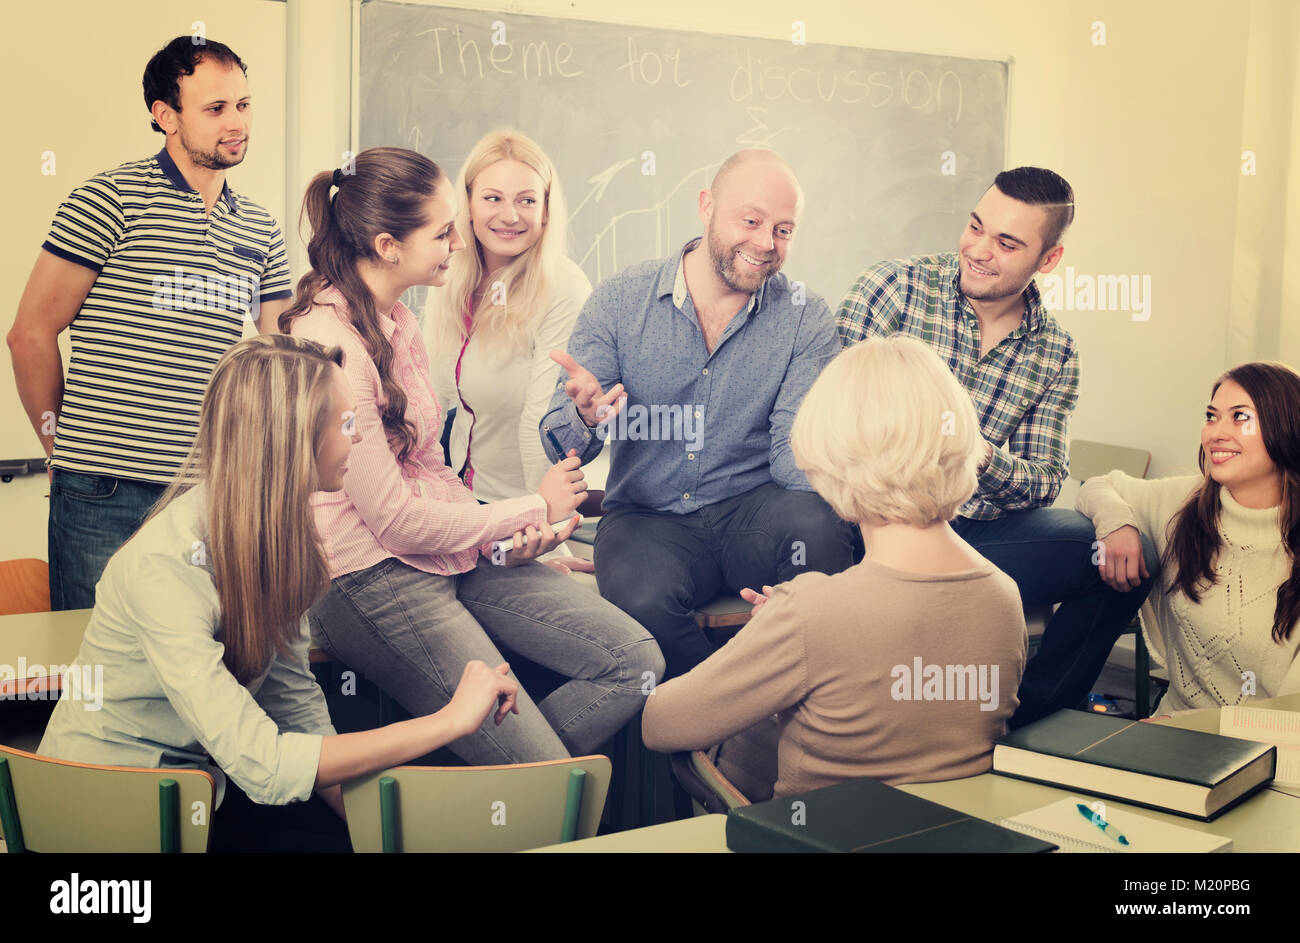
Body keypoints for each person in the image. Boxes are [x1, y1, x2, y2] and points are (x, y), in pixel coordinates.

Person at [38, 335, 523, 852]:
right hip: (104, 819)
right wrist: (451, 720)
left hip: (197, 795)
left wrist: (372, 835)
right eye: (345, 422)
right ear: (292, 439)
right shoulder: (165, 566)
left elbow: (297, 711)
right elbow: (266, 765)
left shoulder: (284, 540)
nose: (359, 439)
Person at [281, 147, 663, 764]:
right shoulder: (335, 349)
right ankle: (520, 778)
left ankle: (492, 779)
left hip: (444, 552)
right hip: (369, 578)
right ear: (387, 246)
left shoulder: (397, 320)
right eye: (442, 231)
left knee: (633, 661)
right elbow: (395, 519)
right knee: (542, 773)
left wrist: (501, 543)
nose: (460, 241)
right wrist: (528, 508)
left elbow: (430, 467)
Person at [835, 166, 1156, 727]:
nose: (978, 251)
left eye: (1006, 243)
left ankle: (1023, 724)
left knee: (1117, 560)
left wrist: (977, 451)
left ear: (1048, 260)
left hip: (973, 534)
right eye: (976, 226)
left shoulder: (1055, 352)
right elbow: (832, 422)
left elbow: (1045, 478)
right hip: (868, 527)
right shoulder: (893, 289)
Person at [641, 336, 1026, 799]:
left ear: (832, 458)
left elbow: (660, 725)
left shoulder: (811, 609)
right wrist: (793, 639)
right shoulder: (1005, 594)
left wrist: (768, 641)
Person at [541, 148, 855, 679]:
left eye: (783, 229)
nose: (765, 243)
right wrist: (589, 418)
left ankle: (783, 690)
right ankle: (722, 716)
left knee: (820, 526)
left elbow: (791, 458)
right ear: (706, 206)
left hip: (751, 509)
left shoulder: (806, 317)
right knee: (640, 601)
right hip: (647, 518)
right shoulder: (620, 300)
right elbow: (560, 443)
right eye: (750, 220)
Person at [6, 36, 293, 611]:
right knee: (95, 668)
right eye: (215, 109)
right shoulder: (107, 199)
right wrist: (57, 447)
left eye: (243, 104)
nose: (236, 122)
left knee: (195, 669)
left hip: (206, 493)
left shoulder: (260, 229)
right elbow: (30, 334)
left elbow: (285, 358)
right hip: (101, 490)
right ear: (166, 116)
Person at [1077, 362, 1300, 713]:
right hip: (1172, 732)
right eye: (1212, 417)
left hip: (1266, 751)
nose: (1215, 433)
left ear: (1287, 427)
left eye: (1240, 417)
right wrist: (1117, 524)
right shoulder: (1185, 503)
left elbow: (1290, 717)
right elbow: (1099, 485)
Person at [425, 130, 593, 573]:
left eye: (526, 200)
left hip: (524, 521)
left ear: (545, 209)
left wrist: (548, 538)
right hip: (461, 513)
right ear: (469, 204)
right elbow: (433, 404)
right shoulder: (446, 274)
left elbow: (538, 422)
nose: (509, 216)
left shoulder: (563, 287)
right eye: (493, 198)